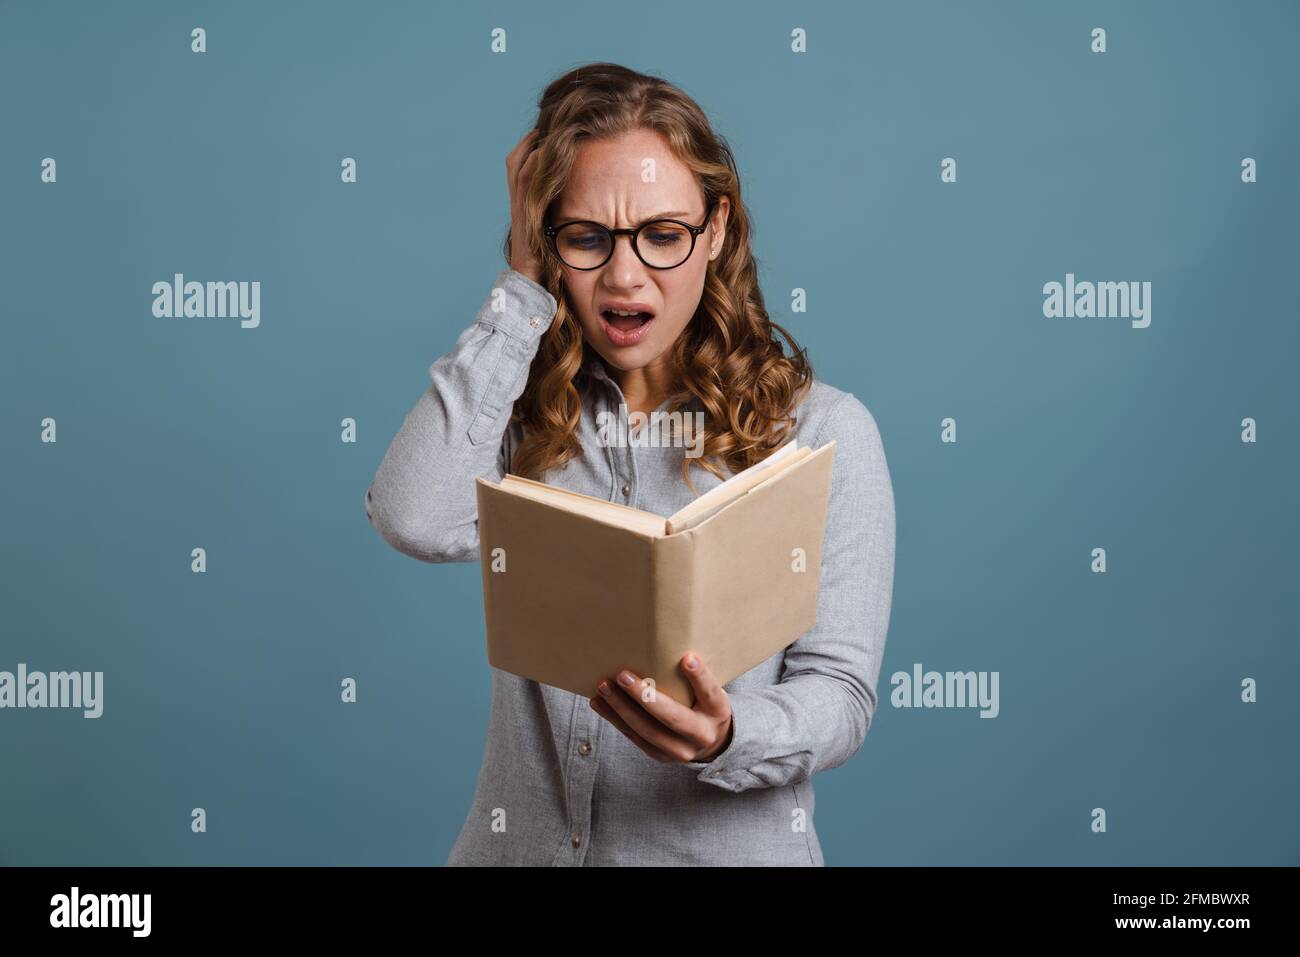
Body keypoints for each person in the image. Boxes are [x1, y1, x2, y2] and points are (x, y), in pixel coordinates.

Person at [364, 62, 896, 866]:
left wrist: (728, 733)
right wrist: (519, 285)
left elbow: (841, 695)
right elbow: (411, 514)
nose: (623, 274)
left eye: (662, 233)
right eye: (585, 236)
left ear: (716, 229)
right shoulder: (514, 414)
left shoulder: (826, 432)